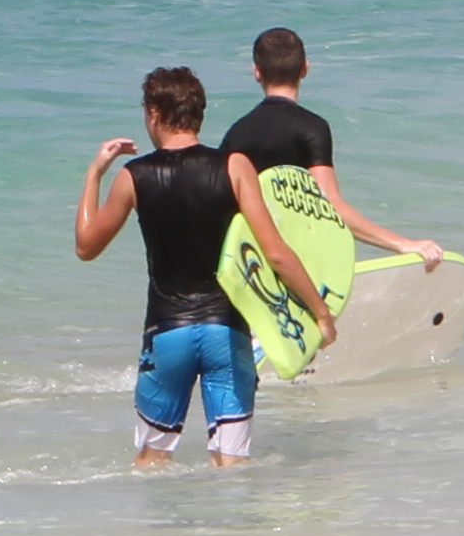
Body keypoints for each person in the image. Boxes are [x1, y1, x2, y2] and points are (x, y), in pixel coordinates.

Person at [75, 64, 334, 467]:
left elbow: (86, 247)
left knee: (152, 460)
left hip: (167, 334)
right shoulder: (235, 167)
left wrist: (94, 174)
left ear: (155, 114)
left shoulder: (133, 176)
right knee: (232, 463)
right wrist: (320, 313)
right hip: (226, 334)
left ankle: (162, 530)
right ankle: (233, 532)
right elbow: (277, 253)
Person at [216, 29, 442, 263]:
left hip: (250, 260)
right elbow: (330, 204)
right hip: (300, 260)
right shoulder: (311, 128)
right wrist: (402, 244)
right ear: (305, 68)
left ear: (257, 72)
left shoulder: (236, 132)